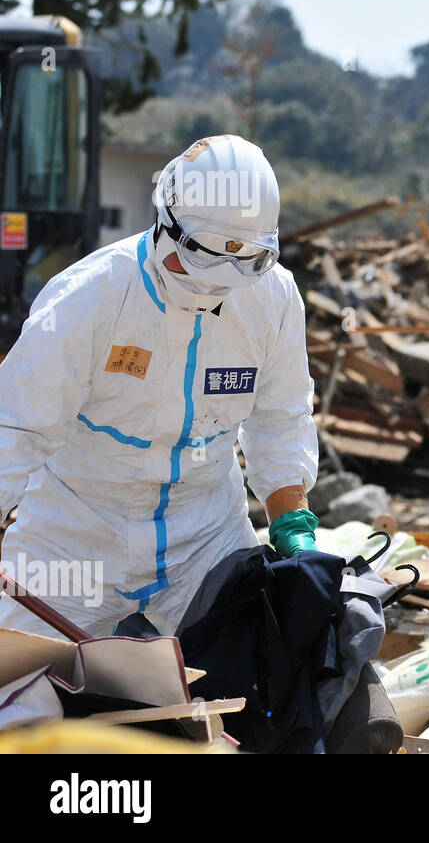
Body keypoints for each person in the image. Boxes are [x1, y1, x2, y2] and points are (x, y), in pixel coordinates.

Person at [0, 134, 319, 638]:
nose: (218, 279)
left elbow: (281, 418)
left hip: (206, 538)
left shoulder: (272, 297)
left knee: (271, 677)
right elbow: (15, 427)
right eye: (204, 257)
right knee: (18, 693)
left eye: (243, 261)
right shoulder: (88, 297)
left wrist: (293, 528)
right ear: (165, 223)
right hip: (73, 538)